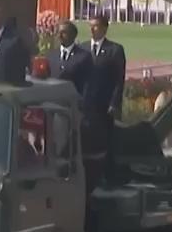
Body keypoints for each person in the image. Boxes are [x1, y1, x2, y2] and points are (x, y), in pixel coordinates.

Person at [83, 14, 126, 177]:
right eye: (90, 26)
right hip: (86, 105)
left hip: (104, 106)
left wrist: (114, 104)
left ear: (104, 29)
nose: (92, 29)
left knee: (105, 142)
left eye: (96, 26)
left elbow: (118, 80)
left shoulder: (115, 50)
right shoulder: (84, 48)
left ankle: (107, 175)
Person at [46, 21, 92, 95]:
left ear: (73, 35)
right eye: (58, 32)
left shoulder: (84, 56)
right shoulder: (52, 55)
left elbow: (88, 83)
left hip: (73, 100)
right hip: (53, 99)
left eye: (64, 33)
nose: (59, 35)